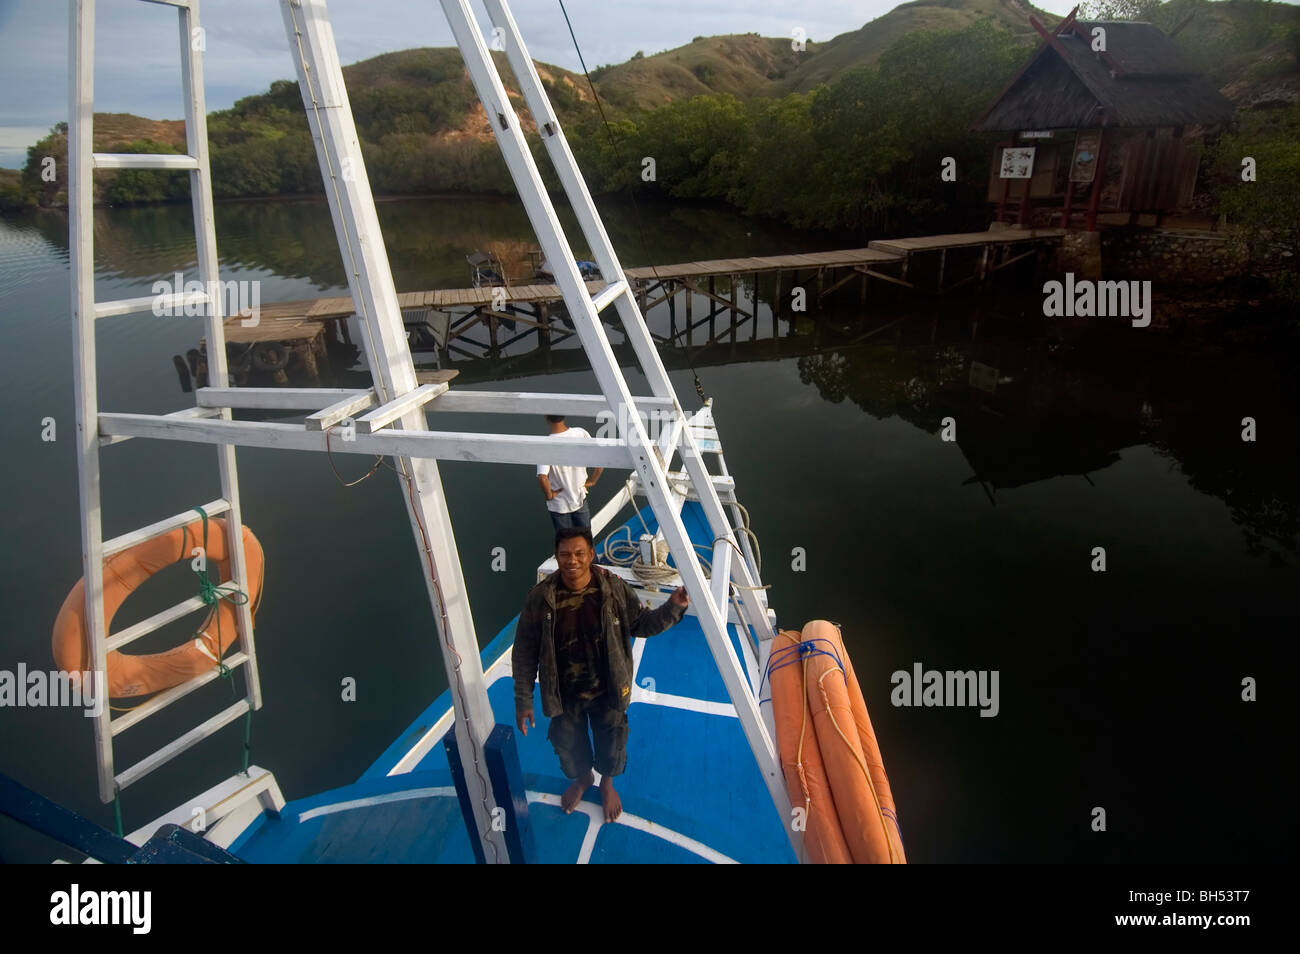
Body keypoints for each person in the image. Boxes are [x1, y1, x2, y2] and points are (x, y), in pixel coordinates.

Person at [513, 527, 689, 822]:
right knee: (567, 746)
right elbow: (524, 652)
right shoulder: (540, 598)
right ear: (556, 556)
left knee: (612, 744)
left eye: (579, 554)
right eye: (565, 554)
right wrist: (523, 700)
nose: (572, 561)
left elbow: (641, 624)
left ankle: (606, 783)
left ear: (591, 555)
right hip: (563, 696)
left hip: (608, 690)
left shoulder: (614, 588)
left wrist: (673, 607)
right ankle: (583, 779)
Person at [537, 415, 602, 530]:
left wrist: (549, 495)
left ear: (546, 417)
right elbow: (599, 461)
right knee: (585, 538)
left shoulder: (545, 444)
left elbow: (543, 478)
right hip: (579, 498)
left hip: (559, 505)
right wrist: (592, 481)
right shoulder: (580, 433)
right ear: (564, 416)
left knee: (565, 541)